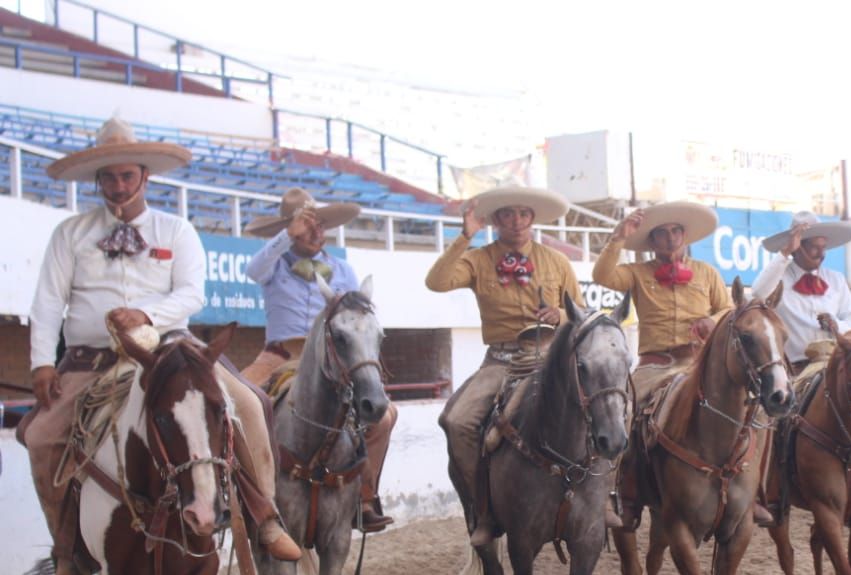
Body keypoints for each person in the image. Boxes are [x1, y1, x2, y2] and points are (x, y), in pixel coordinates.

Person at [22, 117, 301, 575]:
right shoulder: (71, 233)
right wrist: (43, 363)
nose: (117, 187)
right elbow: (47, 302)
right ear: (98, 181)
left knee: (252, 405)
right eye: (108, 178)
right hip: (91, 359)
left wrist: (147, 313)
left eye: (127, 177)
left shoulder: (177, 229)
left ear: (145, 177)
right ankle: (68, 556)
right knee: (42, 437)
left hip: (171, 351)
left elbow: (193, 292)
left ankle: (265, 517)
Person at [426, 186, 585, 545]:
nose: (516, 221)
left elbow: (582, 311)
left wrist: (559, 313)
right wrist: (465, 236)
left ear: (532, 219)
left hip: (550, 358)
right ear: (496, 221)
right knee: (456, 421)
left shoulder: (557, 261)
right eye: (508, 215)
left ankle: (601, 497)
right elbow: (436, 283)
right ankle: (484, 508)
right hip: (500, 362)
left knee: (602, 408)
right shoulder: (478, 259)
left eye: (523, 214)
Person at [242, 188, 397, 531]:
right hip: (280, 355)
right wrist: (287, 235)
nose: (316, 232)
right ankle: (241, 496)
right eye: (307, 226)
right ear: (292, 229)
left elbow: (356, 318)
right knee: (234, 405)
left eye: (320, 225)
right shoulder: (273, 263)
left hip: (332, 358)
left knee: (383, 418)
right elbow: (253, 270)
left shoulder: (342, 269)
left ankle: (363, 497)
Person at [591, 201, 751, 527]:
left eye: (675, 231)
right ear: (651, 242)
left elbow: (726, 309)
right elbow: (602, 276)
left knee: (751, 412)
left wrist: (712, 320)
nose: (670, 238)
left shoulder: (706, 272)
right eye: (661, 234)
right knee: (625, 414)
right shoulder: (637, 273)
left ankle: (755, 493)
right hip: (655, 365)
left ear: (684, 235)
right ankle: (623, 495)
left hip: (699, 366)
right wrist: (618, 236)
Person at [754, 211, 851, 510]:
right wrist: (784, 255)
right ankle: (768, 488)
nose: (820, 253)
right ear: (798, 245)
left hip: (839, 362)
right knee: (768, 415)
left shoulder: (837, 280)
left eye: (823, 246)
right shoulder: (779, 278)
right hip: (798, 367)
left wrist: (839, 327)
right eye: (813, 246)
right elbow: (757, 295)